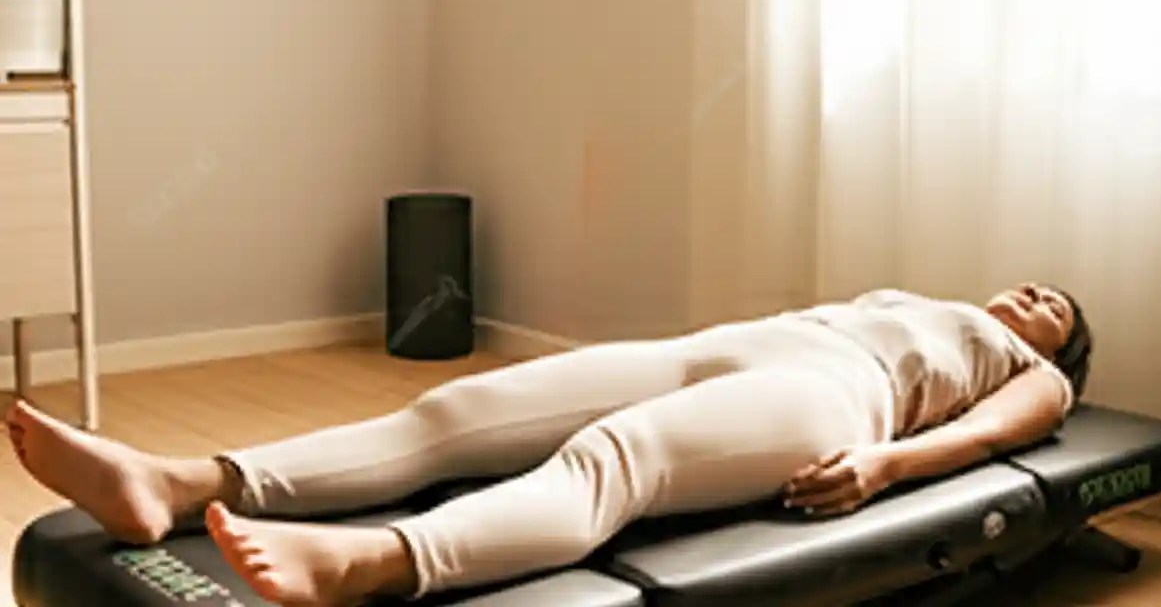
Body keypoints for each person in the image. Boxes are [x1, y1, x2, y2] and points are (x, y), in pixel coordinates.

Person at [5, 283, 1092, 607]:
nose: (1028, 295)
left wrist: (881, 467)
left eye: (1052, 305)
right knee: (448, 416)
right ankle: (176, 482)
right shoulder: (921, 290)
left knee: (607, 468)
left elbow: (991, 437)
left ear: (1062, 351)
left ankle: (370, 562)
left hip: (828, 399)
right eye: (1030, 285)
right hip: (716, 339)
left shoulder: (1026, 373)